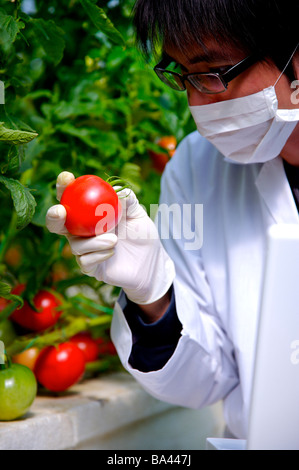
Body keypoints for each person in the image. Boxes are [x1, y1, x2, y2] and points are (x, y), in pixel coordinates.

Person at [46, 0, 299, 439]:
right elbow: (207, 380)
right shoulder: (196, 169)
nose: (197, 104)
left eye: (212, 72)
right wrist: (152, 294)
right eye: (183, 76)